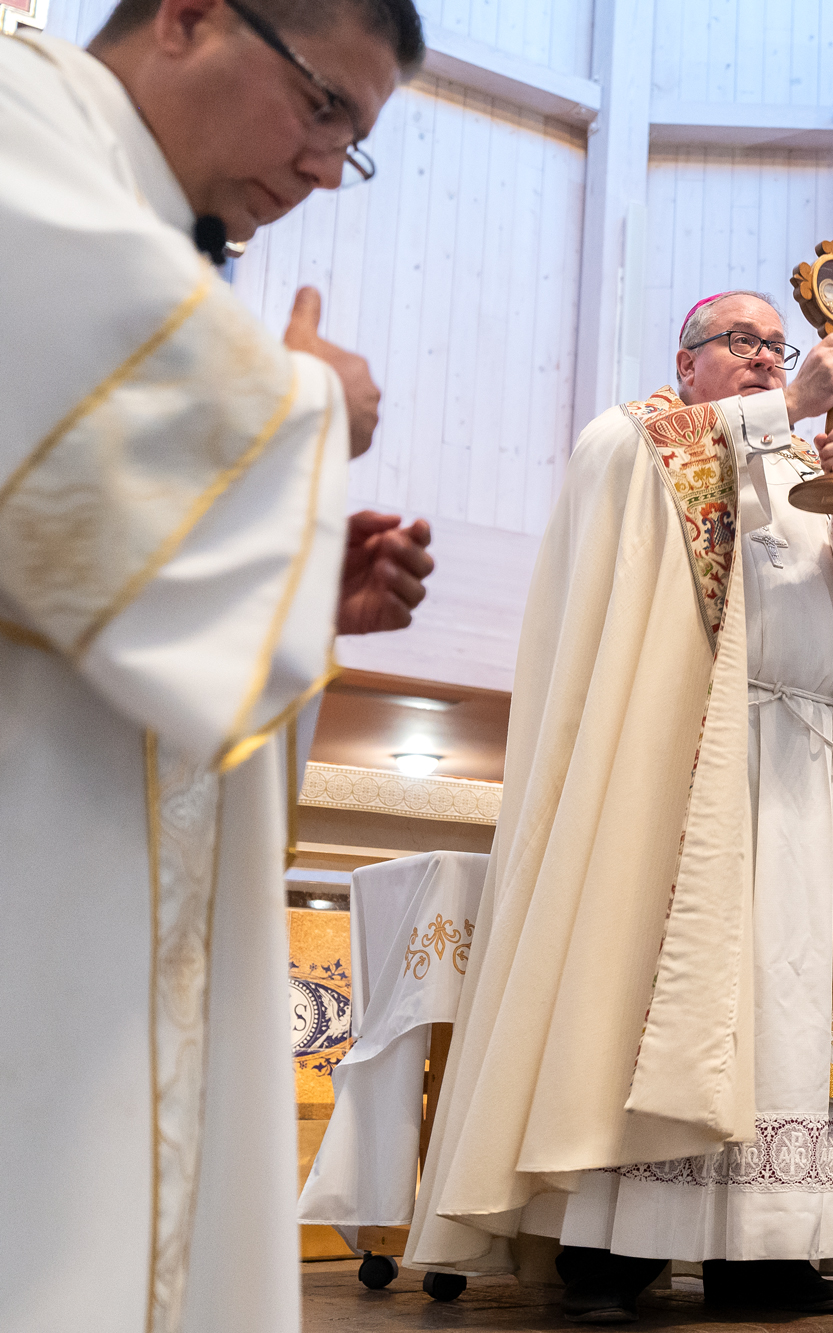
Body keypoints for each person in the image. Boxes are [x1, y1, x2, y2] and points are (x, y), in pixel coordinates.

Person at [406, 291, 833, 1322]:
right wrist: (784, 406)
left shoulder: (804, 467)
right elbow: (619, 481)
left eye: (775, 345)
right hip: (693, 775)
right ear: (688, 360)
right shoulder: (642, 441)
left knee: (792, 1017)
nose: (764, 359)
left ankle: (767, 1253)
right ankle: (611, 1259)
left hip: (817, 780)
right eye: (742, 343)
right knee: (655, 992)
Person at [0, 2, 430, 1330]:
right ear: (190, 15)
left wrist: (292, 574)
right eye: (323, 109)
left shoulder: (154, 227)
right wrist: (311, 411)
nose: (320, 168)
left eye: (350, 145)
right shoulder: (21, 117)